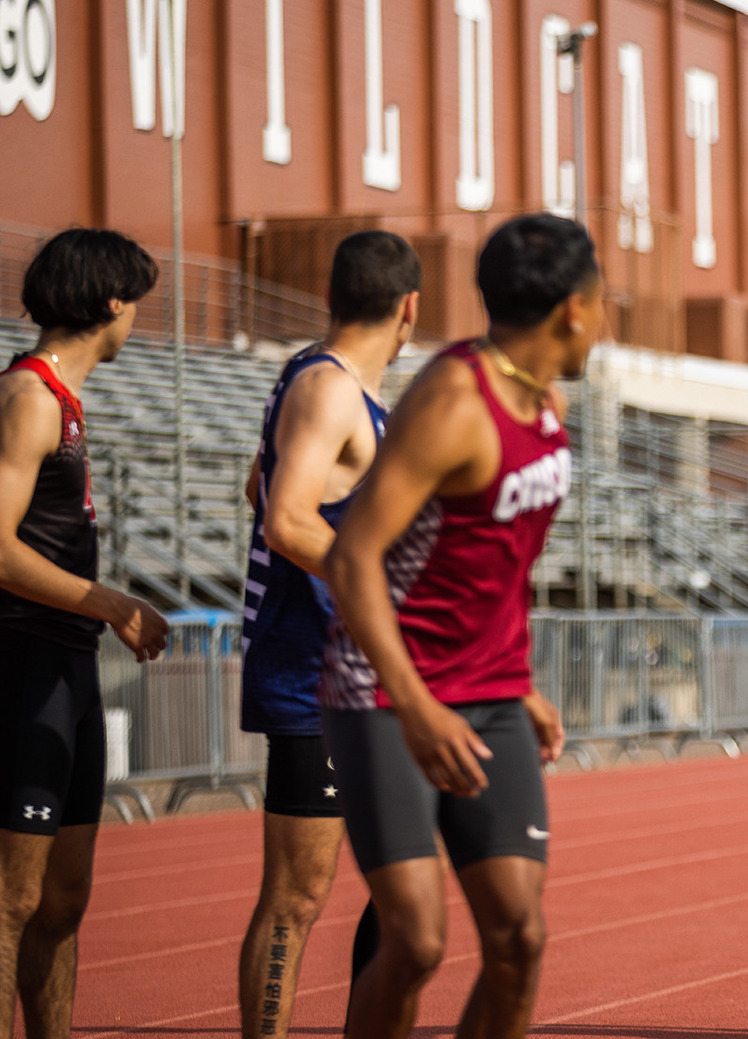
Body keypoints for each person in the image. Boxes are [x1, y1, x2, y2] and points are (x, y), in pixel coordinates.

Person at [320, 214, 592, 1039]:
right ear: (576, 310)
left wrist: (521, 684)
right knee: (415, 940)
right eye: (606, 302)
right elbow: (351, 559)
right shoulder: (451, 402)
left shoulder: (544, 399)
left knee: (520, 936)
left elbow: (498, 562)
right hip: (385, 690)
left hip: (492, 692)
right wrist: (415, 704)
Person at [0, 229, 171, 1038]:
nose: (138, 319)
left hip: (69, 666)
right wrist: (111, 603)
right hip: (28, 664)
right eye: (136, 302)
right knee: (10, 895)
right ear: (112, 303)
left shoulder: (60, 402)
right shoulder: (26, 398)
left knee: (64, 898)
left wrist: (98, 617)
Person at [237, 230, 419, 1038]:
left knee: (401, 890)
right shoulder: (329, 388)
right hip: (313, 674)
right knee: (299, 896)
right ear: (411, 308)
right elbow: (283, 516)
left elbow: (259, 483)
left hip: (359, 670)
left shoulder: (332, 386)